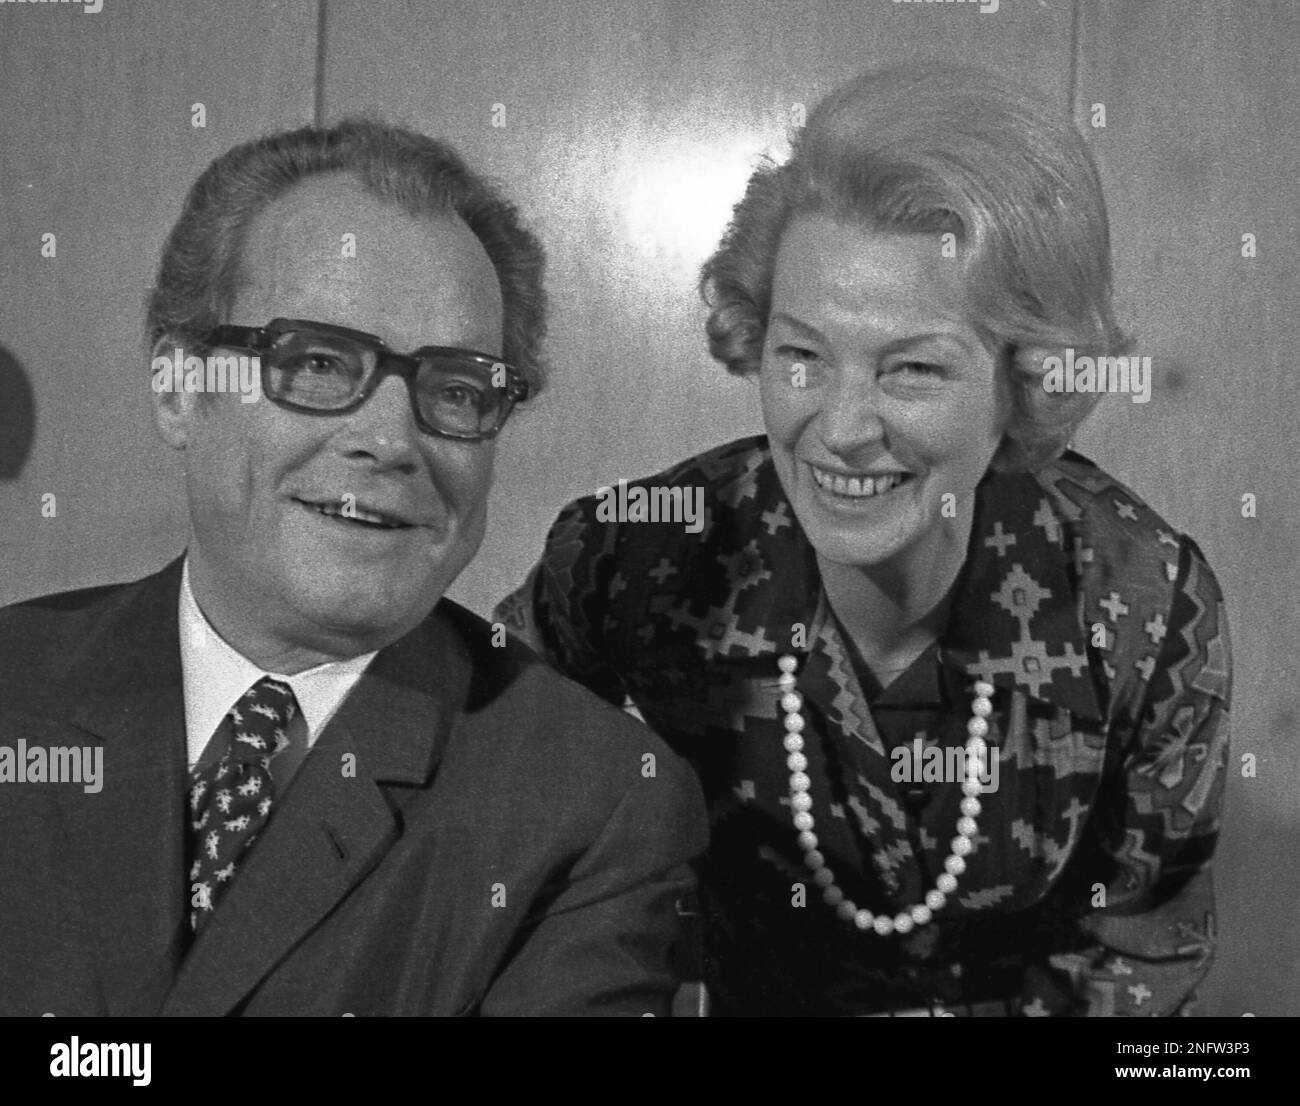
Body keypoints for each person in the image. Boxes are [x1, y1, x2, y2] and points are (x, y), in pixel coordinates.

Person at [497, 65, 1231, 1017]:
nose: (841, 429)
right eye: (801, 354)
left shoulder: (1142, 601)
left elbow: (1148, 945)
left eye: (914, 369)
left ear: (1026, 382)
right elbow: (489, 828)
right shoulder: (633, 557)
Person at [0, 119, 706, 1017]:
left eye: (454, 389)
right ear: (179, 385)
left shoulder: (593, 805)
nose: (387, 440)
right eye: (321, 362)